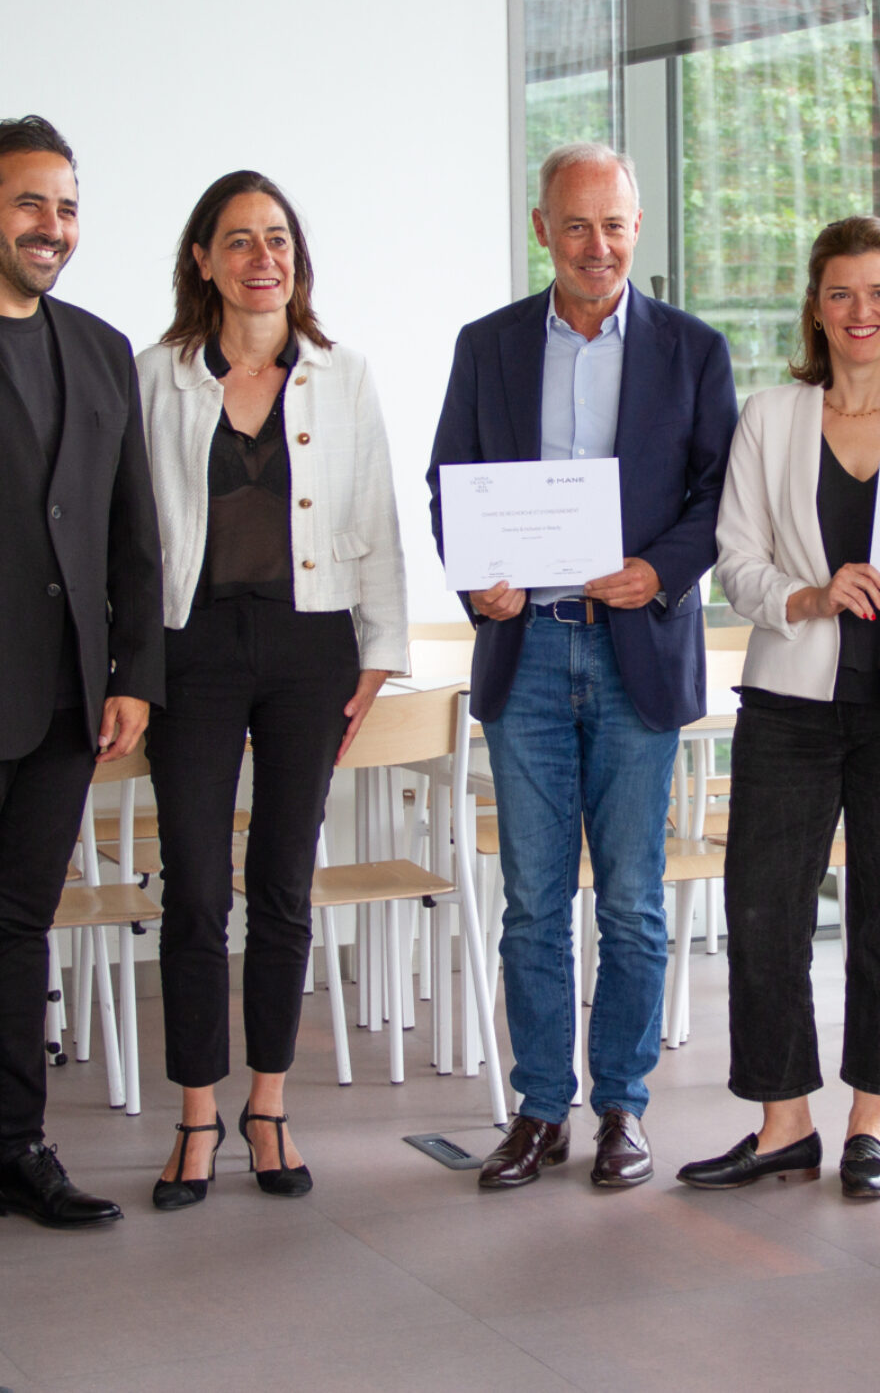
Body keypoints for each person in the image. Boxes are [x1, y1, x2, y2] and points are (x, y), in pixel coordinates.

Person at [427, 142, 737, 1191]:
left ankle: (622, 1108)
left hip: (633, 649)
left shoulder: (694, 350)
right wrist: (477, 584)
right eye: (575, 225)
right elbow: (450, 483)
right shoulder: (489, 346)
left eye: (613, 225)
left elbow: (719, 495)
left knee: (634, 901)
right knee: (532, 900)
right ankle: (539, 1110)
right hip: (526, 647)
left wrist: (660, 570)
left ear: (637, 227)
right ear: (541, 230)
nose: (595, 245)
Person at [677, 218, 880, 1201]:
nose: (861, 311)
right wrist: (807, 597)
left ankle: (870, 1125)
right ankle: (784, 1125)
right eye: (840, 293)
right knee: (764, 909)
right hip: (792, 702)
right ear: (815, 307)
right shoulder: (771, 417)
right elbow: (735, 560)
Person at [136, 171, 407, 1210]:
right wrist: (129, 664)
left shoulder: (344, 375)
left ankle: (268, 1106)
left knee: (285, 881)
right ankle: (197, 1113)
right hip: (191, 651)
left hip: (310, 649)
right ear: (202, 259)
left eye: (279, 238)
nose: (264, 258)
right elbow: (131, 536)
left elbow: (376, 515)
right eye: (241, 240)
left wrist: (377, 655)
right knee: (197, 888)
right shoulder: (155, 376)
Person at [0, 115, 164, 1229]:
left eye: (65, 207)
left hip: (64, 699)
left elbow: (130, 529)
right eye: (29, 203)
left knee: (19, 926)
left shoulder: (102, 349)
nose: (52, 227)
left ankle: (16, 1145)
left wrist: (132, 671)